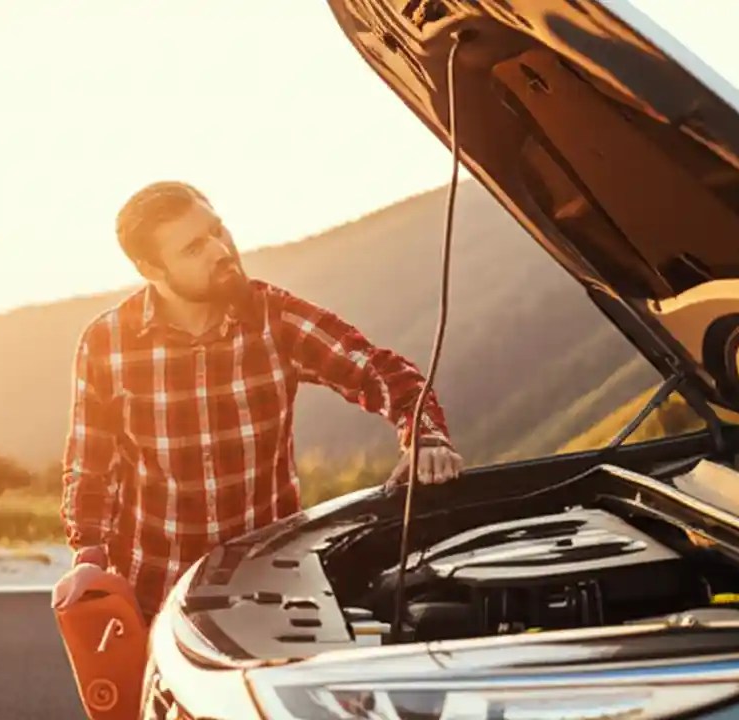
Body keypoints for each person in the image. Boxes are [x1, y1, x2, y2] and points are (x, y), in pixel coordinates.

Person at [50, 180, 464, 622]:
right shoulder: (106, 343)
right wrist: (89, 559)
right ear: (152, 269)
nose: (220, 250)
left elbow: (378, 370)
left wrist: (424, 435)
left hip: (267, 590)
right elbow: (90, 464)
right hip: (153, 597)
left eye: (217, 229)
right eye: (193, 248)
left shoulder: (275, 318)